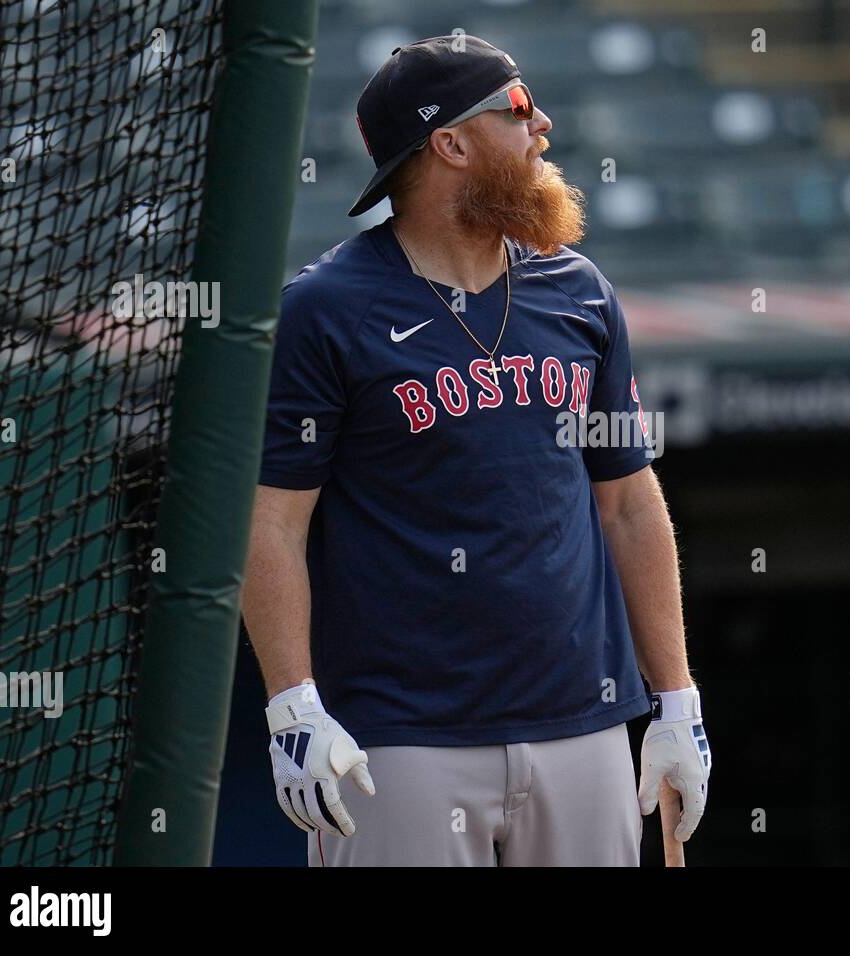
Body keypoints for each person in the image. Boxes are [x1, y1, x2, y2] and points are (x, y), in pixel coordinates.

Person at [242, 34, 710, 866]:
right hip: (398, 741)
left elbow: (629, 502)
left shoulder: (578, 290)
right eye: (520, 110)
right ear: (451, 144)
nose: (545, 127)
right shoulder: (325, 310)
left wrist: (676, 700)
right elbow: (270, 525)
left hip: (584, 720)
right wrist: (294, 707)